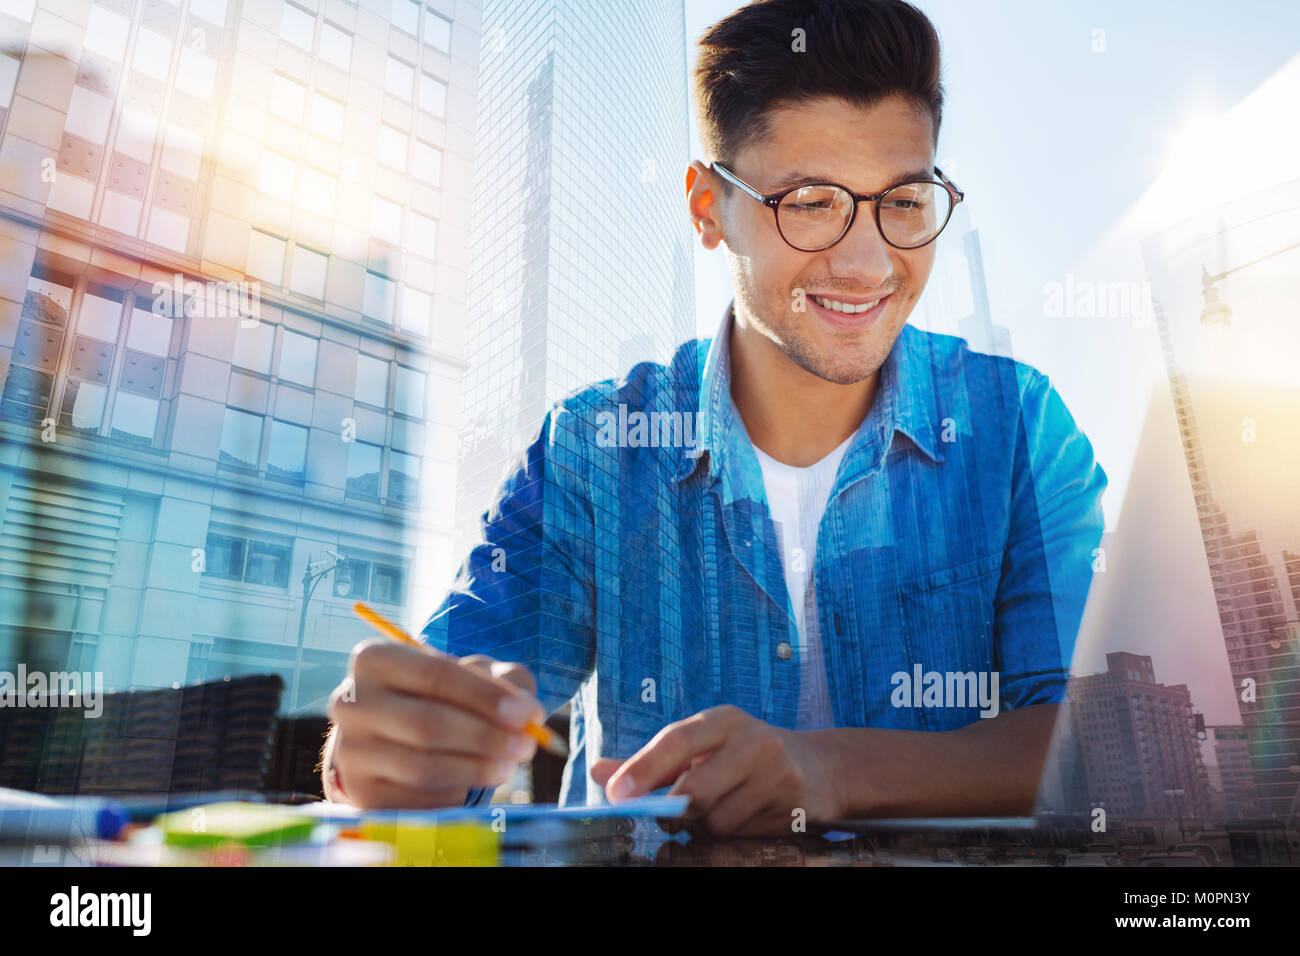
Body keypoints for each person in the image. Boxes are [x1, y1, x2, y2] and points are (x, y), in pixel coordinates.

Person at [322, 0, 1106, 836]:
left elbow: (1087, 736)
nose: (869, 261)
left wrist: (827, 768)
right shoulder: (597, 453)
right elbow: (433, 733)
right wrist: (389, 758)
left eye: (906, 201)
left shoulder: (1018, 427)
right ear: (707, 208)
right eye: (809, 201)